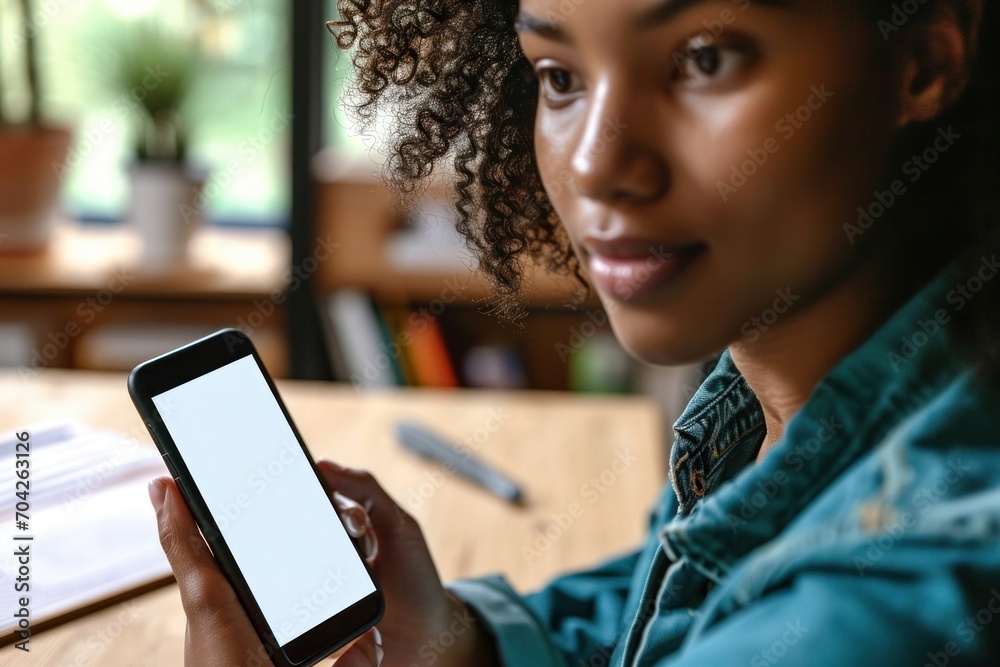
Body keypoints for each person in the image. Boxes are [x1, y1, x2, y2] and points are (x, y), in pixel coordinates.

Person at [147, 0, 1000, 664]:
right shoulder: (769, 402)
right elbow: (666, 601)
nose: (595, 162)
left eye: (704, 59)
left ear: (924, 61)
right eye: (559, 76)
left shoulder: (884, 606)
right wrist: (462, 642)